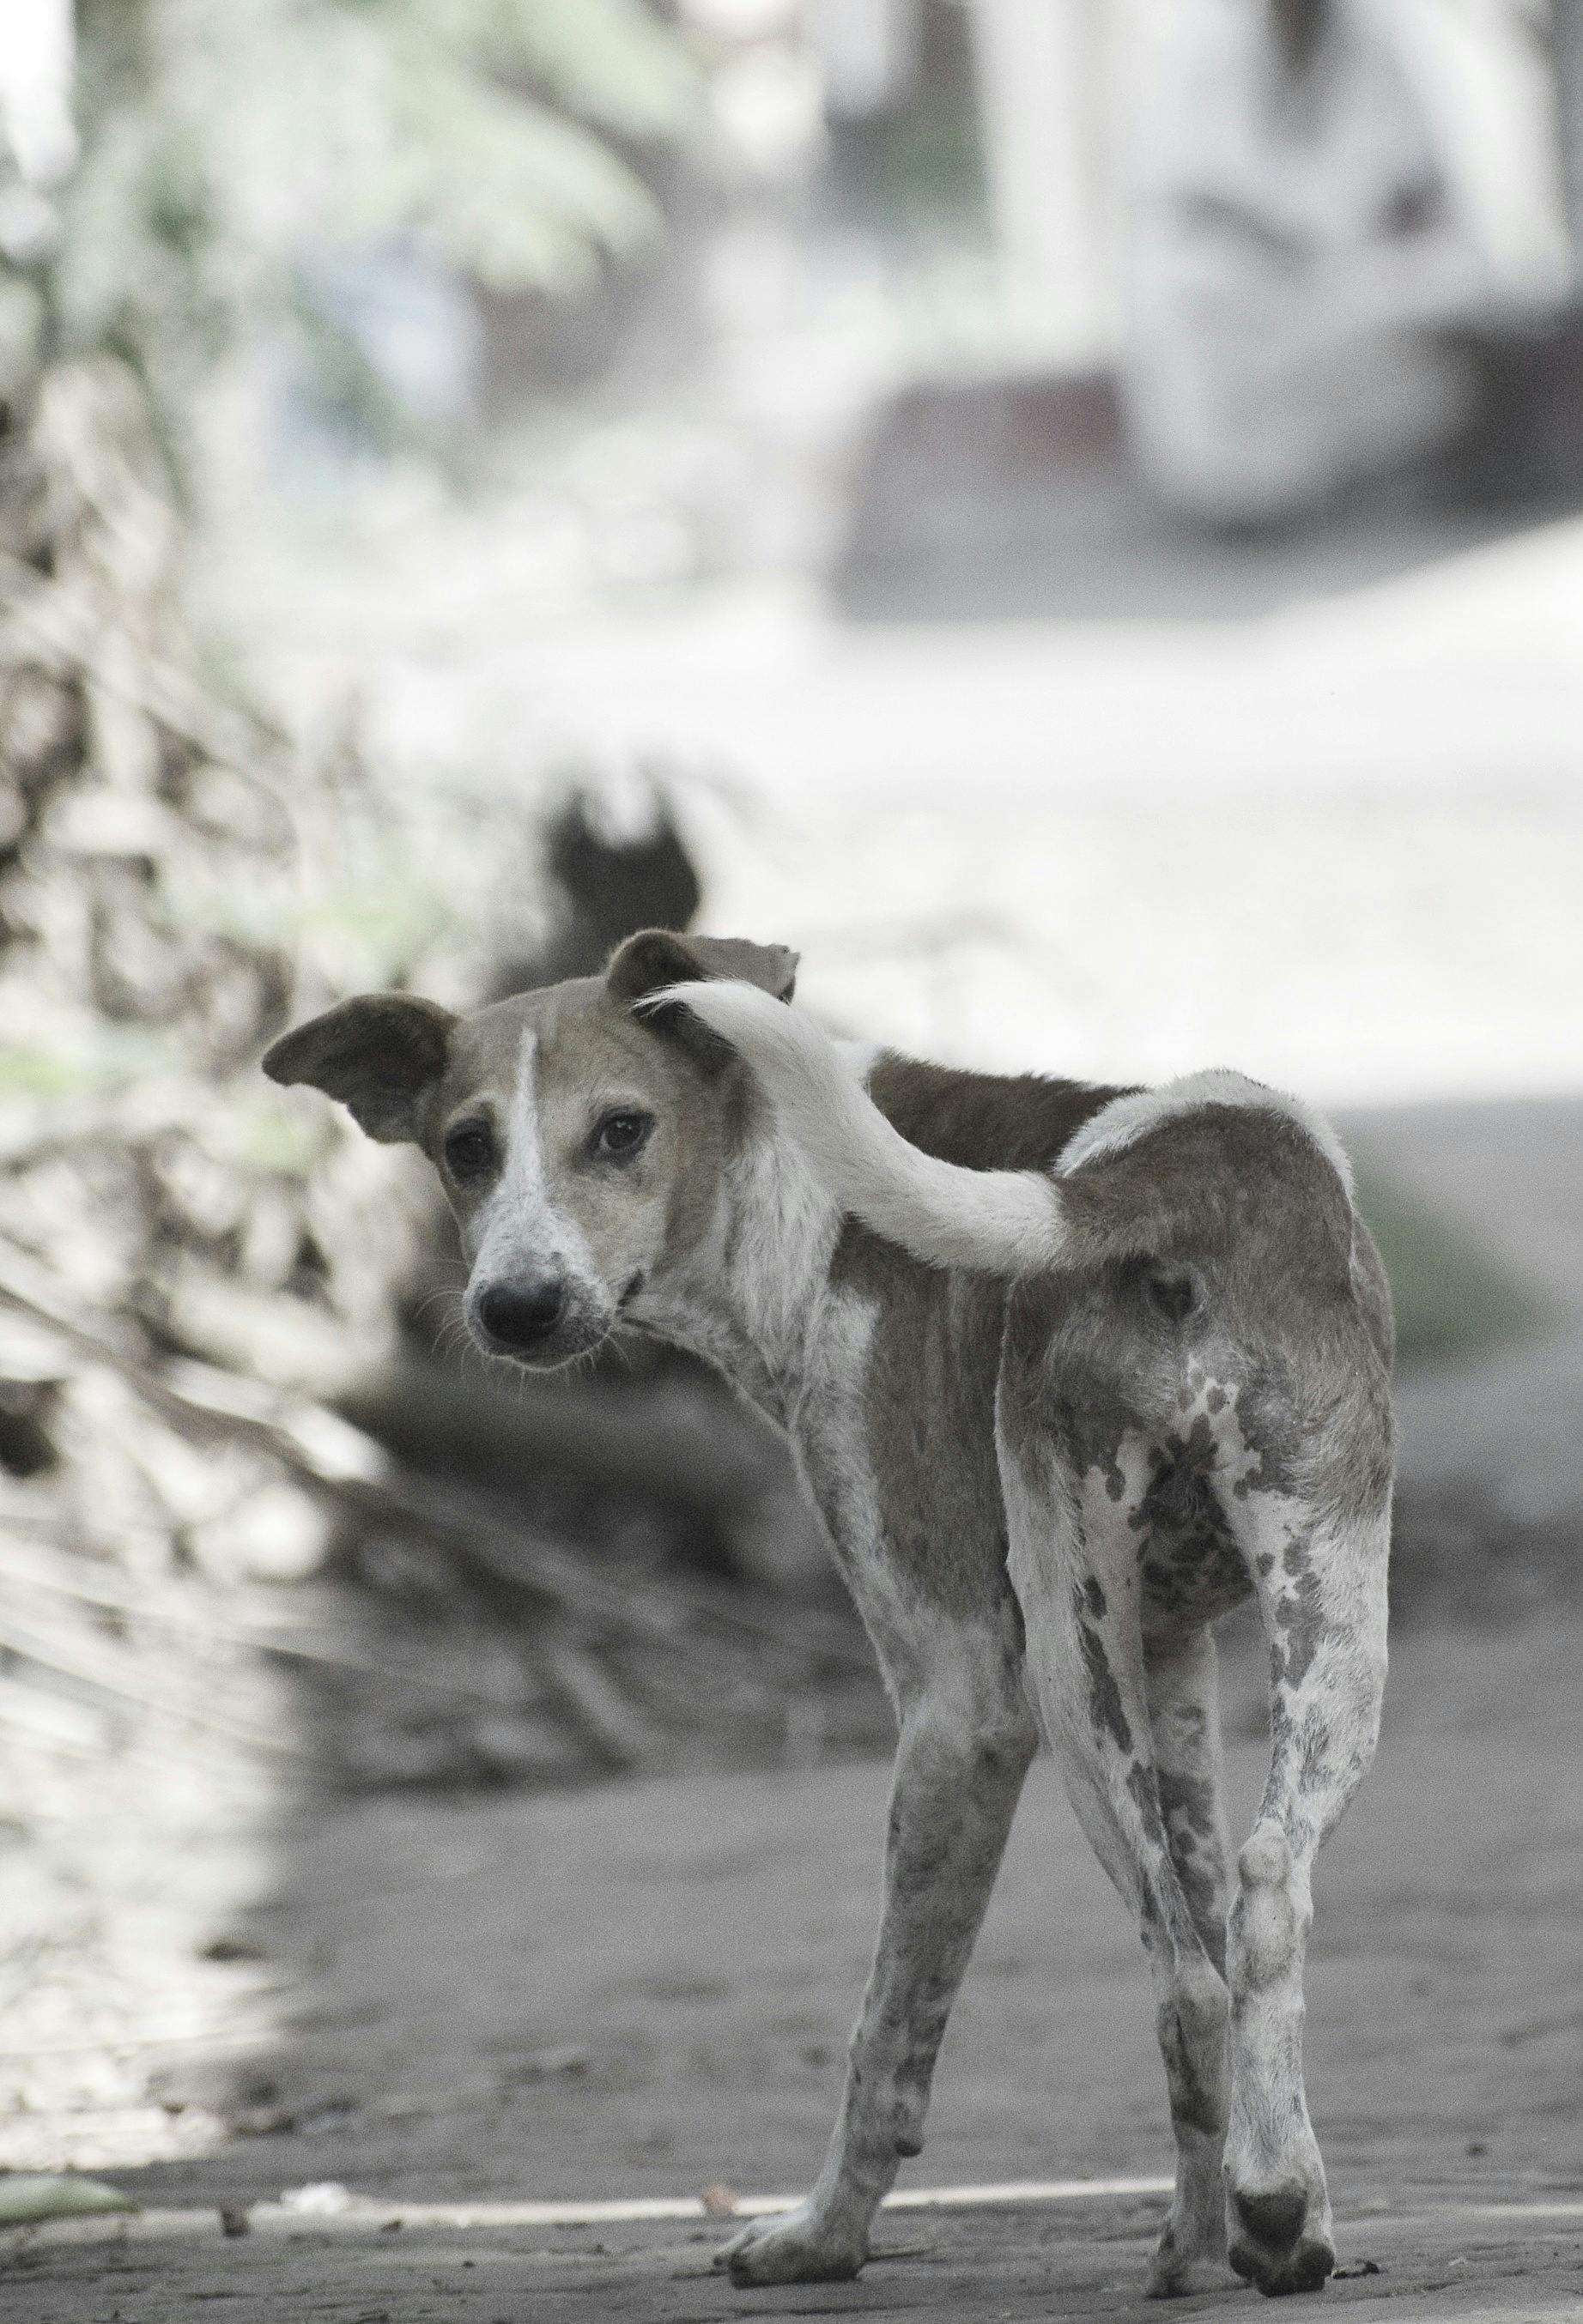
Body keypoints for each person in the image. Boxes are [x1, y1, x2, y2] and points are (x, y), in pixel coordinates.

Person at [1123, 0, 1573, 524]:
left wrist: (1360, 234)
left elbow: (1421, 185)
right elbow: (1190, 189)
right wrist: (1277, 239)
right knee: (1182, 294)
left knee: (1451, 298)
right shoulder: (1207, 45)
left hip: (1363, 274)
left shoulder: (1384, 37)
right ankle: (1235, 493)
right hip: (1261, 279)